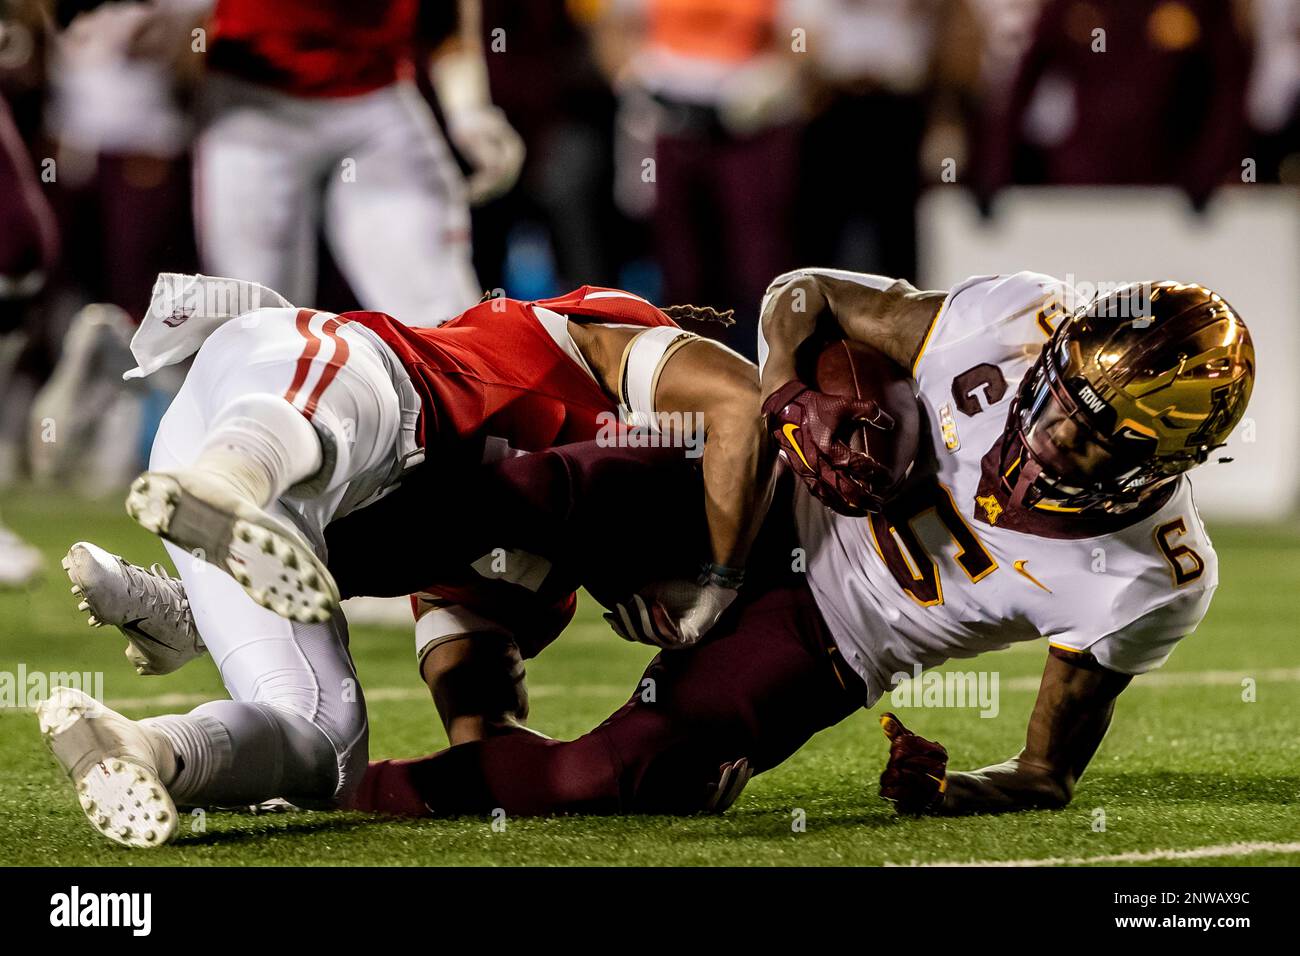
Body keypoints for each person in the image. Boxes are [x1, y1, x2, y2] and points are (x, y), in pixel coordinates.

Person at [348, 268, 1253, 819]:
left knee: (615, 776)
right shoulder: (1016, 320)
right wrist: (790, 398)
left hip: (831, 638)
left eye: (1097, 440)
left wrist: (954, 793)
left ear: (1174, 463)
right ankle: (258, 561)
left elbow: (1045, 774)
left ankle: (333, 786)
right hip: (777, 490)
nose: (1053, 439)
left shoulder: (1151, 575)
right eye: (1056, 402)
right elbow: (802, 292)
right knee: (528, 494)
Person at [37, 270, 769, 847]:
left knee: (325, 748)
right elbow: (739, 403)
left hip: (294, 507)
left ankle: (144, 747)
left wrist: (633, 774)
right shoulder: (613, 357)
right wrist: (722, 580)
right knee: (341, 437)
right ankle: (223, 502)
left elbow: (485, 748)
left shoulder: (525, 573)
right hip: (325, 375)